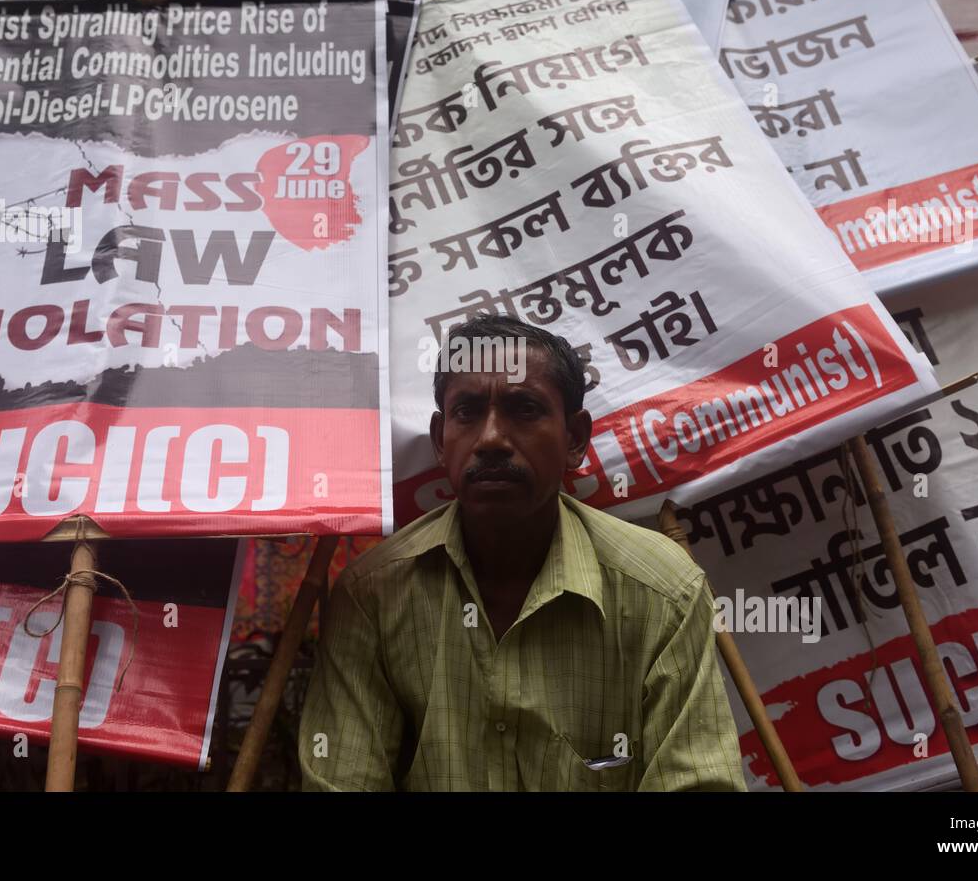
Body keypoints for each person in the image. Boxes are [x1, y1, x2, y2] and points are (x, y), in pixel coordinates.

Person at [298, 315, 745, 791]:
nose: (490, 438)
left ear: (575, 439)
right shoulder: (373, 596)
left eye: (523, 408)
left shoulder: (663, 591)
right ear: (439, 440)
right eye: (467, 412)